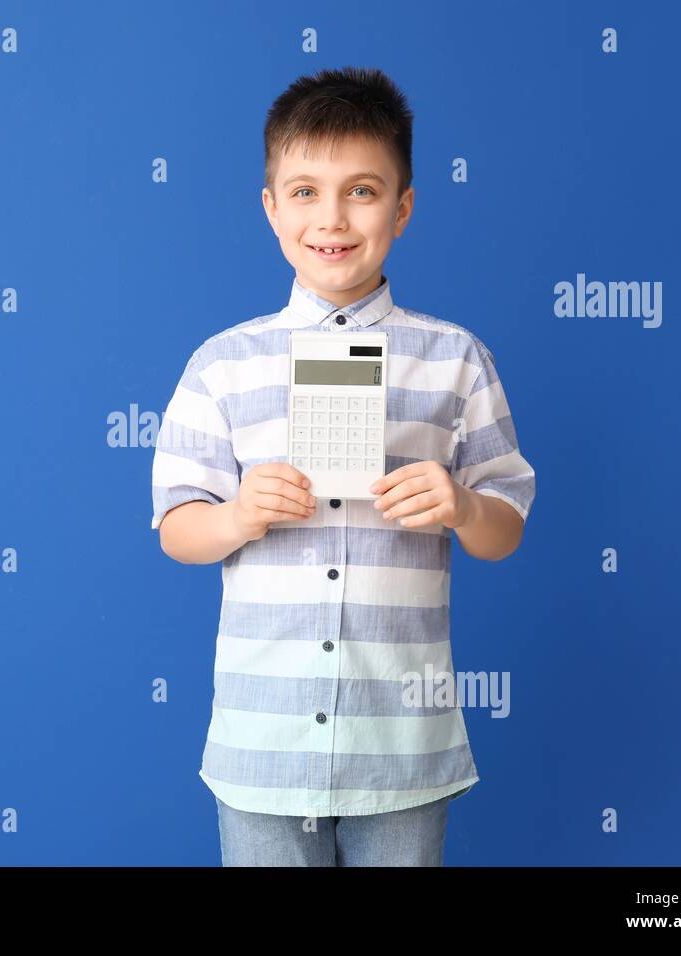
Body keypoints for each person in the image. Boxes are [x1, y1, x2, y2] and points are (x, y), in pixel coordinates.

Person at [149, 66, 536, 866]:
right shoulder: (222, 363)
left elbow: (505, 529)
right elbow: (178, 529)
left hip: (400, 747)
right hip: (264, 744)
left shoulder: (455, 359)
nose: (331, 217)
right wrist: (239, 515)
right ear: (270, 207)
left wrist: (463, 506)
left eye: (361, 191)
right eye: (304, 192)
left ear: (403, 207)